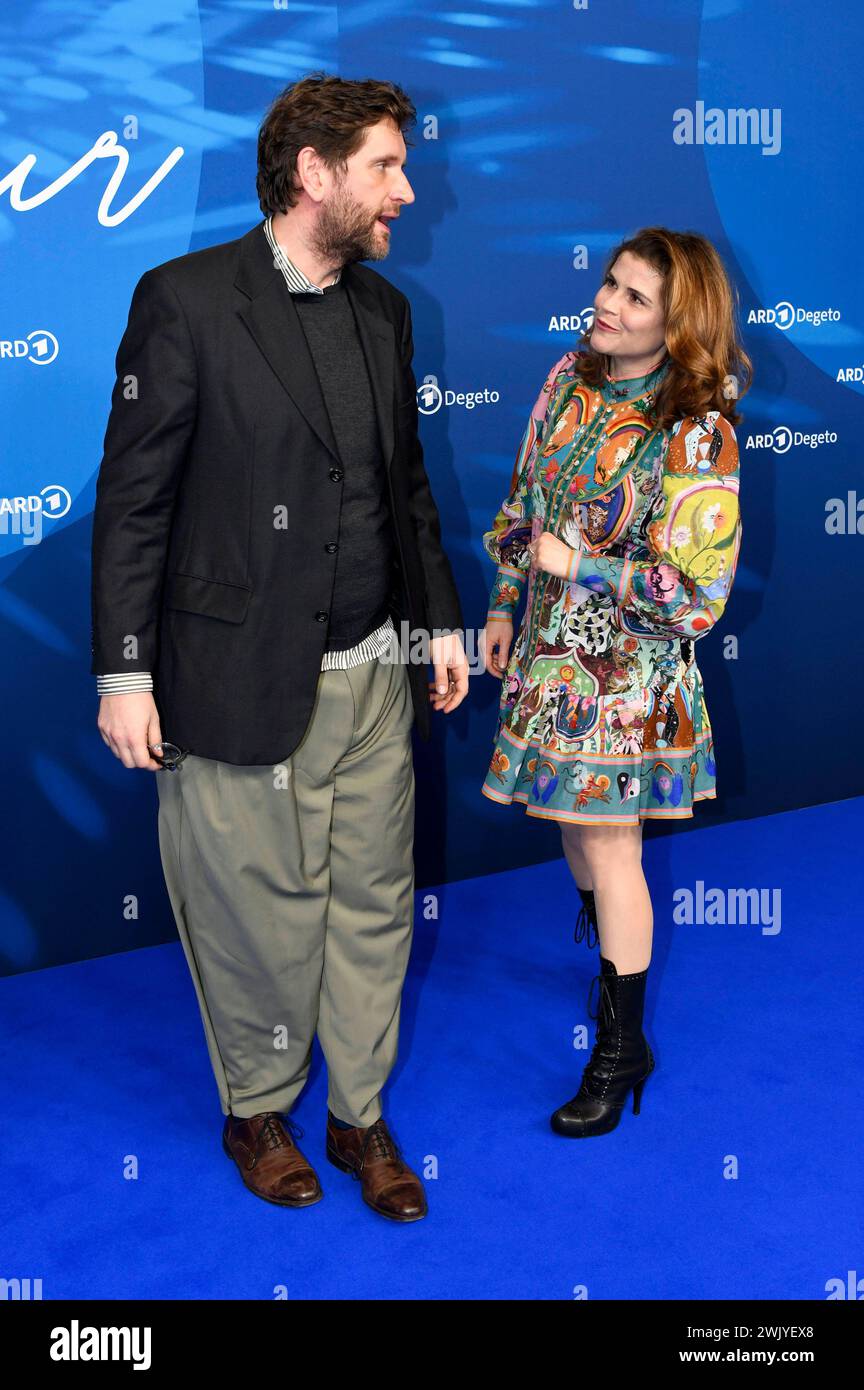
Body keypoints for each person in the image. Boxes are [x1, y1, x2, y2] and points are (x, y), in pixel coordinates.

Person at [91, 72, 468, 1221]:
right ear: (314, 172)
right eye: (386, 166)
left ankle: (358, 1116)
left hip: (373, 675)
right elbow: (136, 501)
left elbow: (405, 486)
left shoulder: (386, 312)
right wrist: (125, 670)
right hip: (235, 673)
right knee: (255, 915)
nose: (406, 189)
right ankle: (256, 1109)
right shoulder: (187, 301)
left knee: (376, 903)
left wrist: (436, 621)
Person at [480, 228, 750, 1138]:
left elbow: (697, 595)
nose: (607, 303)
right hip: (547, 657)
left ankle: (621, 1046)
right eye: (611, 282)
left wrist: (583, 566)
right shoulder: (569, 377)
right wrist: (506, 603)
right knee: (573, 830)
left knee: (609, 846)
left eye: (637, 298)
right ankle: (613, 965)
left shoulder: (699, 434)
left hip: (627, 679)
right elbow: (524, 502)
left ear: (679, 326)